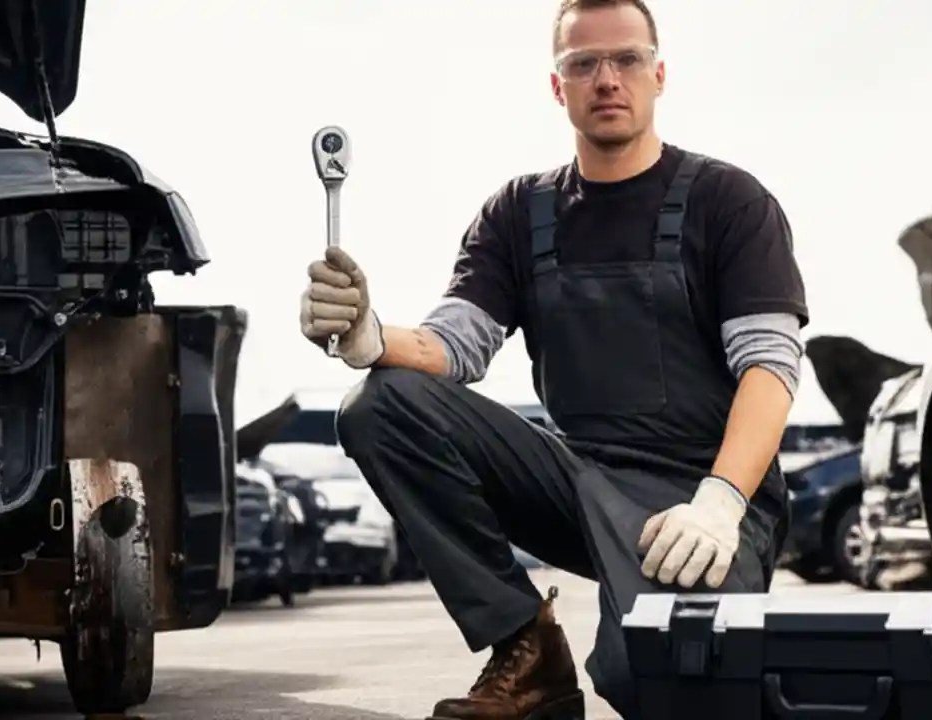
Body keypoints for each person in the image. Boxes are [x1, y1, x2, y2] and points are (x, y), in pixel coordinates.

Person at [298, 1, 808, 717]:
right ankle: (525, 649)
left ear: (659, 74)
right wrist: (371, 338)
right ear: (557, 85)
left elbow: (771, 368)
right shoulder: (520, 211)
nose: (607, 79)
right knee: (383, 405)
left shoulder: (729, 202)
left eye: (627, 60)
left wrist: (722, 502)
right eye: (583, 64)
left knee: (658, 683)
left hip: (699, 499)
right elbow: (456, 342)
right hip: (576, 483)